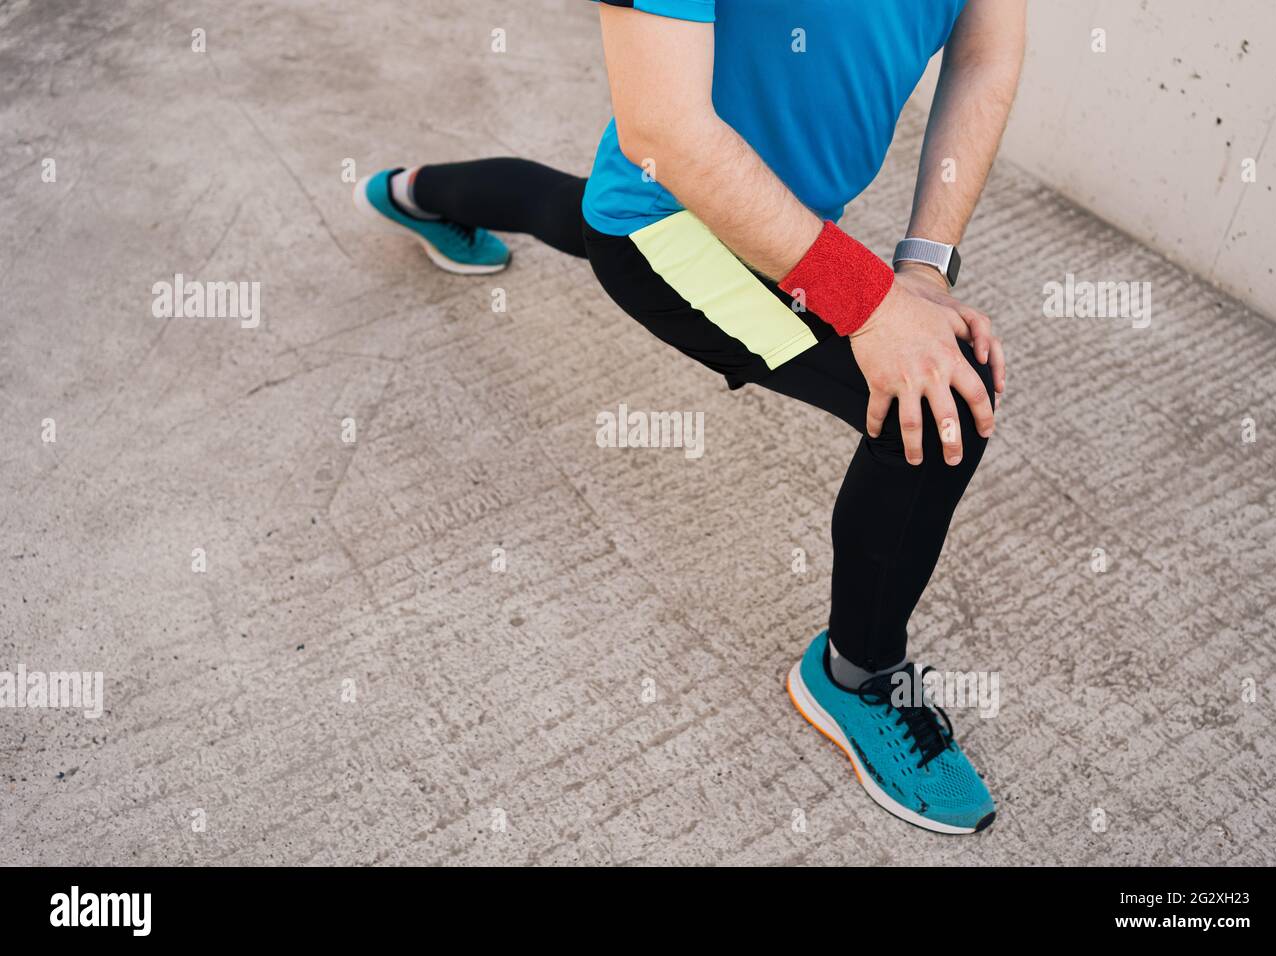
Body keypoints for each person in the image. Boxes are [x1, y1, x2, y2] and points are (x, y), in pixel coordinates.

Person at [353, 0, 1024, 834]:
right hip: (667, 228)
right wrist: (871, 306)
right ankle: (855, 676)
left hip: (774, 221)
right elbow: (663, 131)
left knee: (574, 213)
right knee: (944, 404)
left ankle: (412, 192)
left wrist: (923, 271)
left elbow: (983, 55)